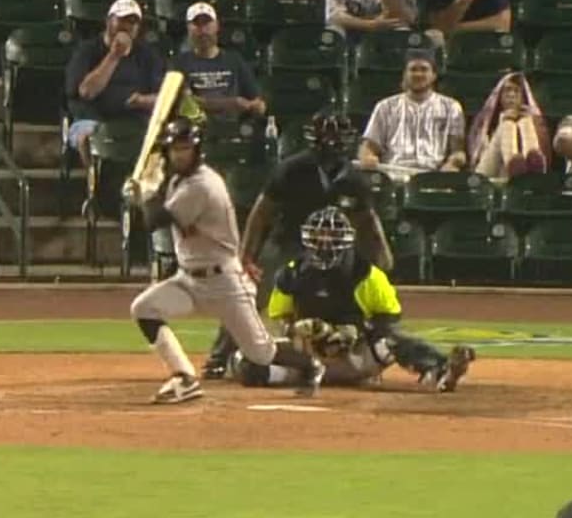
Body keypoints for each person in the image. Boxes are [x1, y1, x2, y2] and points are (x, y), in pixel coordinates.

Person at [126, 118, 325, 404]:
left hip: (224, 282)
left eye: (186, 148)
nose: (181, 154)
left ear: (197, 150)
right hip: (189, 279)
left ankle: (311, 364)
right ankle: (183, 377)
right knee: (144, 309)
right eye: (175, 149)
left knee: (261, 353)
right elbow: (154, 208)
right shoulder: (176, 181)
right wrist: (143, 191)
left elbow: (154, 220)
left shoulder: (202, 185)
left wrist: (143, 192)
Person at [202, 113, 394, 378]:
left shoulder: (352, 177)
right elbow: (261, 214)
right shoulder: (292, 168)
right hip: (288, 242)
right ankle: (219, 356)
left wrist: (381, 255)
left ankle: (362, 356)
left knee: (354, 294)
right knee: (246, 295)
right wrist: (246, 257)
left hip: (334, 247)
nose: (331, 142)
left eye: (336, 136)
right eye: (326, 136)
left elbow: (367, 221)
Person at [231, 207, 475, 391]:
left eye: (331, 236)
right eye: (320, 235)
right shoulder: (292, 272)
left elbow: (389, 321)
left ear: (345, 240)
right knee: (247, 359)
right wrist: (304, 332)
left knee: (392, 340)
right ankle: (303, 374)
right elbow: (280, 319)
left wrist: (350, 333)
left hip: (356, 357)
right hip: (307, 359)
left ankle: (441, 370)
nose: (325, 242)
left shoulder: (366, 274)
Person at [64, 0, 167, 167]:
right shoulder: (87, 51)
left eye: (132, 22)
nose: (127, 26)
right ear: (108, 21)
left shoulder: (148, 55)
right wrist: (114, 56)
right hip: (92, 118)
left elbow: (161, 96)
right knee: (86, 138)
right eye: (122, 20)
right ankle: (95, 185)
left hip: (136, 119)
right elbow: (86, 92)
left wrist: (143, 101)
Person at [358, 48, 467, 179]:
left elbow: (458, 152)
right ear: (404, 74)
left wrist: (452, 164)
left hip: (434, 176)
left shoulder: (452, 107)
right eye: (413, 69)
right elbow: (368, 147)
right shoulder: (385, 107)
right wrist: (367, 157)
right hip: (393, 175)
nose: (418, 74)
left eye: (424, 69)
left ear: (434, 75)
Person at [172, 2, 265, 121]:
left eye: (207, 23)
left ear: (217, 26)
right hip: (195, 129)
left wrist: (256, 106)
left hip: (231, 131)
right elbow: (186, 102)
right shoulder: (180, 63)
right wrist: (231, 103)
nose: (203, 30)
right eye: (197, 24)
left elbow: (257, 100)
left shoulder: (234, 60)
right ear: (188, 28)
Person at [470, 71, 550, 179]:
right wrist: (502, 121)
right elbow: (477, 154)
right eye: (507, 90)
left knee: (525, 121)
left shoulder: (535, 121)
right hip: (488, 174)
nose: (511, 95)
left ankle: (529, 171)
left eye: (516, 91)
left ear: (523, 97)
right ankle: (513, 164)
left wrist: (532, 122)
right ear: (499, 95)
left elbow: (546, 155)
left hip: (525, 173)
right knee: (507, 125)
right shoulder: (486, 120)